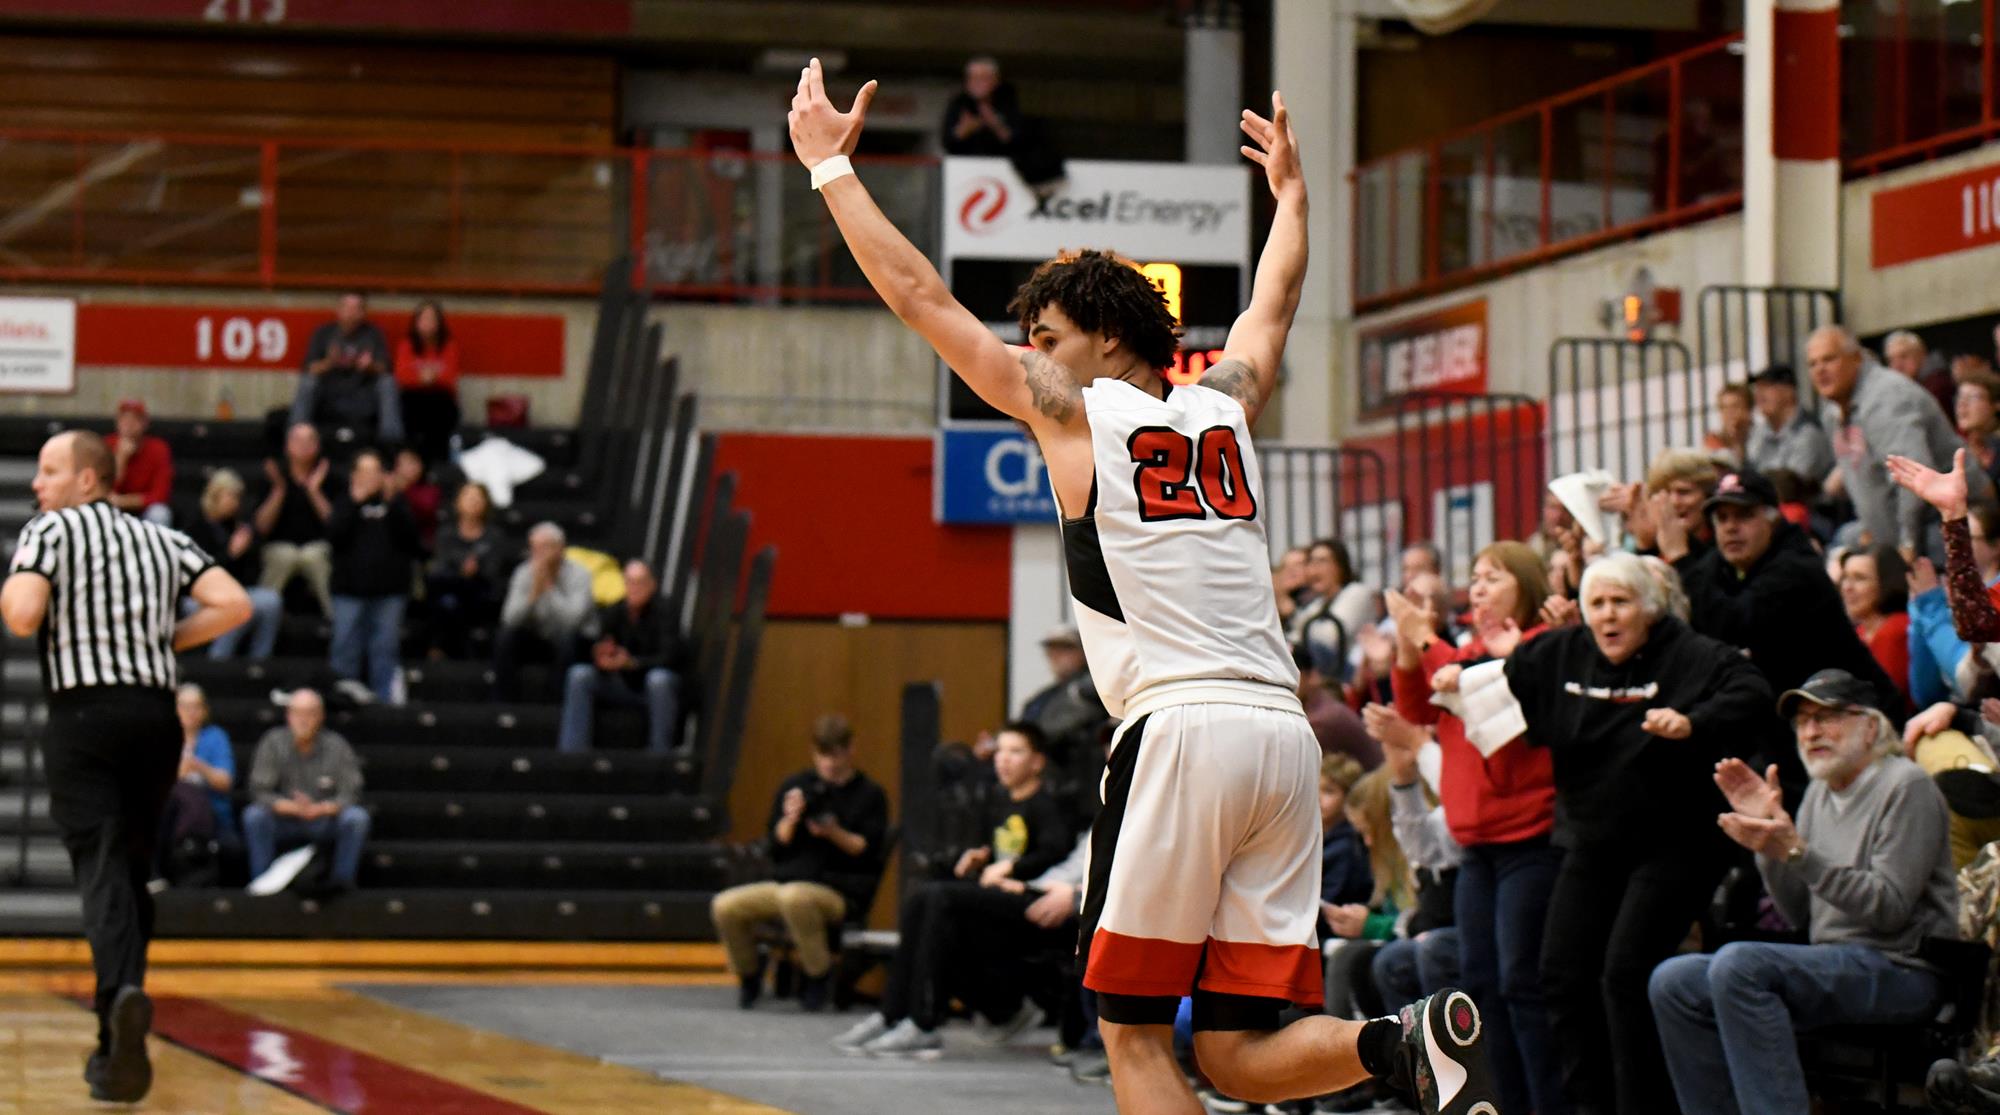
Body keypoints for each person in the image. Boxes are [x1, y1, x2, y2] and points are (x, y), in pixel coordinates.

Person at [789, 60, 1492, 1112]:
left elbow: (918, 294)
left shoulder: (1072, 414)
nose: (1033, 357)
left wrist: (831, 168)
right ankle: (1399, 1044)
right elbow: (1274, 299)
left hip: (1179, 728)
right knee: (1229, 1048)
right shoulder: (1225, 404)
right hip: (1281, 736)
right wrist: (1292, 199)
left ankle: (1394, 1044)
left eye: (1047, 338)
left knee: (1129, 1037)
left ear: (1105, 338)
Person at [0, 429, 251, 1104]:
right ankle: (118, 1042)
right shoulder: (161, 539)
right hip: (156, 719)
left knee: (102, 862)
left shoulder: (49, 532)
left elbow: (23, 616)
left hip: (85, 717)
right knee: (134, 867)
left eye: (49, 471)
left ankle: (119, 998)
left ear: (88, 479)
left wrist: (28, 591)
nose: (37, 484)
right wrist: (166, 637)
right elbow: (235, 603)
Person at [1502, 551, 1772, 1115]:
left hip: (1675, 841)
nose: (1608, 615)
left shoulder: (1688, 652)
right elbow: (1516, 668)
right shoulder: (1564, 650)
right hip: (1593, 839)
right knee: (1561, 974)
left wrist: (1695, 722)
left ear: (1648, 610)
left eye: (1621, 602)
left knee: (1625, 976)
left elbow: (1752, 692)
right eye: (1596, 604)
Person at [1649, 668, 1957, 1115]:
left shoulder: (1905, 785)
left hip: (1903, 969)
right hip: (1836, 963)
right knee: (1673, 982)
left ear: (1870, 726)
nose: (1811, 731)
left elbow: (1888, 910)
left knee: (1741, 964)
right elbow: (1799, 915)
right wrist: (1770, 847)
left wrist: (1797, 851)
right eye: (1802, 720)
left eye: (1826, 717)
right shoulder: (1818, 792)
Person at [1385, 541, 1566, 1115]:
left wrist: (1424, 639)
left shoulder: (1540, 647)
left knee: (1522, 984)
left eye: (1495, 576)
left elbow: (1487, 692)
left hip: (1530, 841)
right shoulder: (1464, 651)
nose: (1480, 587)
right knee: (1481, 988)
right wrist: (1408, 644)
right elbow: (1417, 707)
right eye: (1477, 577)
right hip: (1477, 851)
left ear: (1528, 585)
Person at [836, 723, 1071, 1058]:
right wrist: (982, 857)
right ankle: (892, 1014)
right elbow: (1000, 851)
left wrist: (1013, 869)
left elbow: (1054, 851)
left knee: (939, 897)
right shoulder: (999, 801)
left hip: (1032, 899)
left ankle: (924, 1023)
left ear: (1037, 762)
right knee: (922, 897)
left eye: (1015, 752)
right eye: (1000, 751)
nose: (1003, 760)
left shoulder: (1046, 805)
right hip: (999, 897)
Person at [1664, 467, 1902, 789]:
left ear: (1771, 518)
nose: (1731, 528)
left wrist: (1680, 557)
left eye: (1743, 515)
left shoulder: (1797, 567)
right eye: (1722, 518)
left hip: (1854, 728)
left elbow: (1734, 620)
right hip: (1796, 732)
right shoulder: (1725, 567)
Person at [710, 714, 889, 1012]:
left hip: (837, 888)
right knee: (725, 905)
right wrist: (791, 819)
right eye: (823, 756)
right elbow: (776, 843)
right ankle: (749, 973)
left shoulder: (870, 794)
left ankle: (817, 974)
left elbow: (865, 849)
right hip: (787, 880)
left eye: (836, 755)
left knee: (794, 897)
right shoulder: (797, 786)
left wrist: (833, 832)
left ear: (850, 750)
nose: (829, 764)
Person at [1813, 324, 1960, 559]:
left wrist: (1908, 545)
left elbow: (1914, 477)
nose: (1820, 370)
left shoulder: (1886, 396)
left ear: (1855, 359)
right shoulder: (1832, 412)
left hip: (1941, 528)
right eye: (1813, 363)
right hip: (1889, 537)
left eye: (1829, 359)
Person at [241, 688, 370, 890]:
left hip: (323, 820)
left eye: (310, 713)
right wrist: (290, 807)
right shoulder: (273, 742)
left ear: (321, 716)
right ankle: (263, 884)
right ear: (288, 716)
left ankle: (342, 883)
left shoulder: (337, 746)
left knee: (356, 818)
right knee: (255, 816)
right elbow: (259, 791)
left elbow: (352, 792)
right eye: (298, 713)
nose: (304, 720)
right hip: (285, 819)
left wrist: (323, 808)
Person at [325, 449, 421, 705]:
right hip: (349, 590)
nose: (370, 477)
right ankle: (342, 700)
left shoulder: (397, 503)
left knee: (385, 649)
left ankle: (385, 702)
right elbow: (334, 536)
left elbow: (412, 541)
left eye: (375, 471)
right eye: (364, 471)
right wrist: (355, 504)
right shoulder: (344, 502)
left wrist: (392, 502)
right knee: (345, 647)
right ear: (354, 475)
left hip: (389, 591)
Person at [560, 559, 679, 754]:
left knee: (659, 680)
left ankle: (659, 755)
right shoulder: (615, 611)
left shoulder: (666, 611)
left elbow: (671, 657)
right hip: (622, 682)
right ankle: (572, 753)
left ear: (653, 584)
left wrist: (633, 663)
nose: (634, 588)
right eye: (629, 582)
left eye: (640, 582)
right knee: (579, 674)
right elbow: (599, 645)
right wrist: (601, 657)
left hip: (649, 688)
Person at [186, 470, 282, 660]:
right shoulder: (196, 527)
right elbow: (200, 573)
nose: (235, 502)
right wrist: (230, 554)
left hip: (236, 590)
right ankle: (219, 659)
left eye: (238, 497)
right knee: (234, 607)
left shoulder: (239, 527)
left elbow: (250, 574)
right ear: (214, 497)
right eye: (230, 496)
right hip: (201, 595)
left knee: (271, 600)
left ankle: (259, 662)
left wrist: (246, 551)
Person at [494, 522, 594, 698]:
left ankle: (556, 702)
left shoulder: (580, 574)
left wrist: (549, 588)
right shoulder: (524, 572)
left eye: (544, 547)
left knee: (567, 641)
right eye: (534, 548)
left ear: (560, 548)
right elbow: (509, 618)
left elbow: (572, 622)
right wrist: (532, 595)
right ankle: (505, 701)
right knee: (506, 636)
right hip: (538, 637)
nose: (538, 554)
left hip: (572, 640)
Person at [939, 55, 1064, 196]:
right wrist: (964, 130)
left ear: (995, 80)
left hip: (1005, 175)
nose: (977, 83)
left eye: (983, 78)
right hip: (965, 175)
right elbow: (947, 142)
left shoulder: (1008, 102)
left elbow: (1019, 140)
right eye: (972, 78)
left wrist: (995, 124)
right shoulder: (959, 104)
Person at [291, 291, 402, 448]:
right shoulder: (323, 333)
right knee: (308, 383)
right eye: (347, 308)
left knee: (388, 383)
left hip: (362, 395)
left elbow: (386, 369)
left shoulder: (374, 334)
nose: (351, 313)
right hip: (329, 395)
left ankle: (392, 447)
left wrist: (370, 366)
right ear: (338, 310)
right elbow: (309, 369)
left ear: (363, 313)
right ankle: (295, 442)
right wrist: (329, 362)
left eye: (356, 309)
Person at [156, 684, 235, 885]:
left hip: (211, 812)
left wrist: (200, 767)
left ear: (205, 710)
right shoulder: (162, 736)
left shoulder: (215, 737)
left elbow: (225, 782)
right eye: (184, 706)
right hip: (168, 814)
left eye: (196, 706)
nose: (190, 712)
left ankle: (191, 851)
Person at [255, 423, 335, 618]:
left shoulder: (330, 479)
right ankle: (259, 616)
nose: (304, 445)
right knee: (285, 555)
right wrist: (279, 490)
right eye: (297, 439)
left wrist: (314, 491)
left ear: (318, 446)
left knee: (314, 556)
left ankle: (337, 620)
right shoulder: (274, 477)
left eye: (310, 439)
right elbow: (261, 527)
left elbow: (336, 525)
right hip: (277, 547)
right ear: (287, 445)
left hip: (319, 546)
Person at [424, 481, 512, 659]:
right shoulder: (446, 534)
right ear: (457, 502)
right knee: (447, 600)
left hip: (481, 594)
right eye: (468, 496)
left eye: (478, 497)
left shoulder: (494, 536)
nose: (473, 501)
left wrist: (472, 573)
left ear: (486, 503)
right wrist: (462, 573)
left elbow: (492, 573)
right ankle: (441, 650)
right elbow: (439, 570)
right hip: (449, 592)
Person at [1839, 543, 1912, 711]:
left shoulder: (1895, 629)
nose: (1847, 587)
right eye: (1845, 577)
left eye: (1859, 578)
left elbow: (1883, 702)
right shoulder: (1859, 632)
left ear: (1886, 583)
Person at [1746, 364, 1835, 489]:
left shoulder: (1809, 433)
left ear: (1789, 392)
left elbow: (1790, 489)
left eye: (1767, 387)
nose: (1759, 395)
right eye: (1757, 388)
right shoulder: (1759, 432)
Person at [394, 299, 461, 464]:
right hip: (413, 400)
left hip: (441, 401)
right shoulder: (406, 345)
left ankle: (437, 467)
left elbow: (451, 378)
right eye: (423, 318)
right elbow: (401, 377)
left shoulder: (449, 345)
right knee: (412, 407)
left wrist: (429, 378)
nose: (427, 323)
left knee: (440, 411)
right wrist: (424, 378)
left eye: (432, 319)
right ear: (416, 322)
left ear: (439, 323)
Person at [104, 399, 173, 526]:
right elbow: (104, 490)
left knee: (160, 513)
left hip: (145, 511)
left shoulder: (158, 448)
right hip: (114, 510)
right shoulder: (106, 444)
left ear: (145, 423)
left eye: (135, 420)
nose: (129, 425)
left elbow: (160, 495)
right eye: (124, 419)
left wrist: (122, 501)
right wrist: (121, 458)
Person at [1885, 327, 1958, 420]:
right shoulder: (1903, 386)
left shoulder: (1937, 385)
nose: (1897, 365)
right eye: (1891, 360)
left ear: (1921, 355)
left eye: (1903, 356)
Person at [391, 447, 441, 549]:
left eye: (414, 462)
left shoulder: (430, 490)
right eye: (405, 463)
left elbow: (426, 510)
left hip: (422, 544)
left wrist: (404, 489)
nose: (412, 467)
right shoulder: (388, 490)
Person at [1705, 383, 1753, 465]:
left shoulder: (1761, 437)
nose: (1729, 413)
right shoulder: (1714, 440)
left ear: (1748, 410)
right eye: (1724, 408)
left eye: (1735, 406)